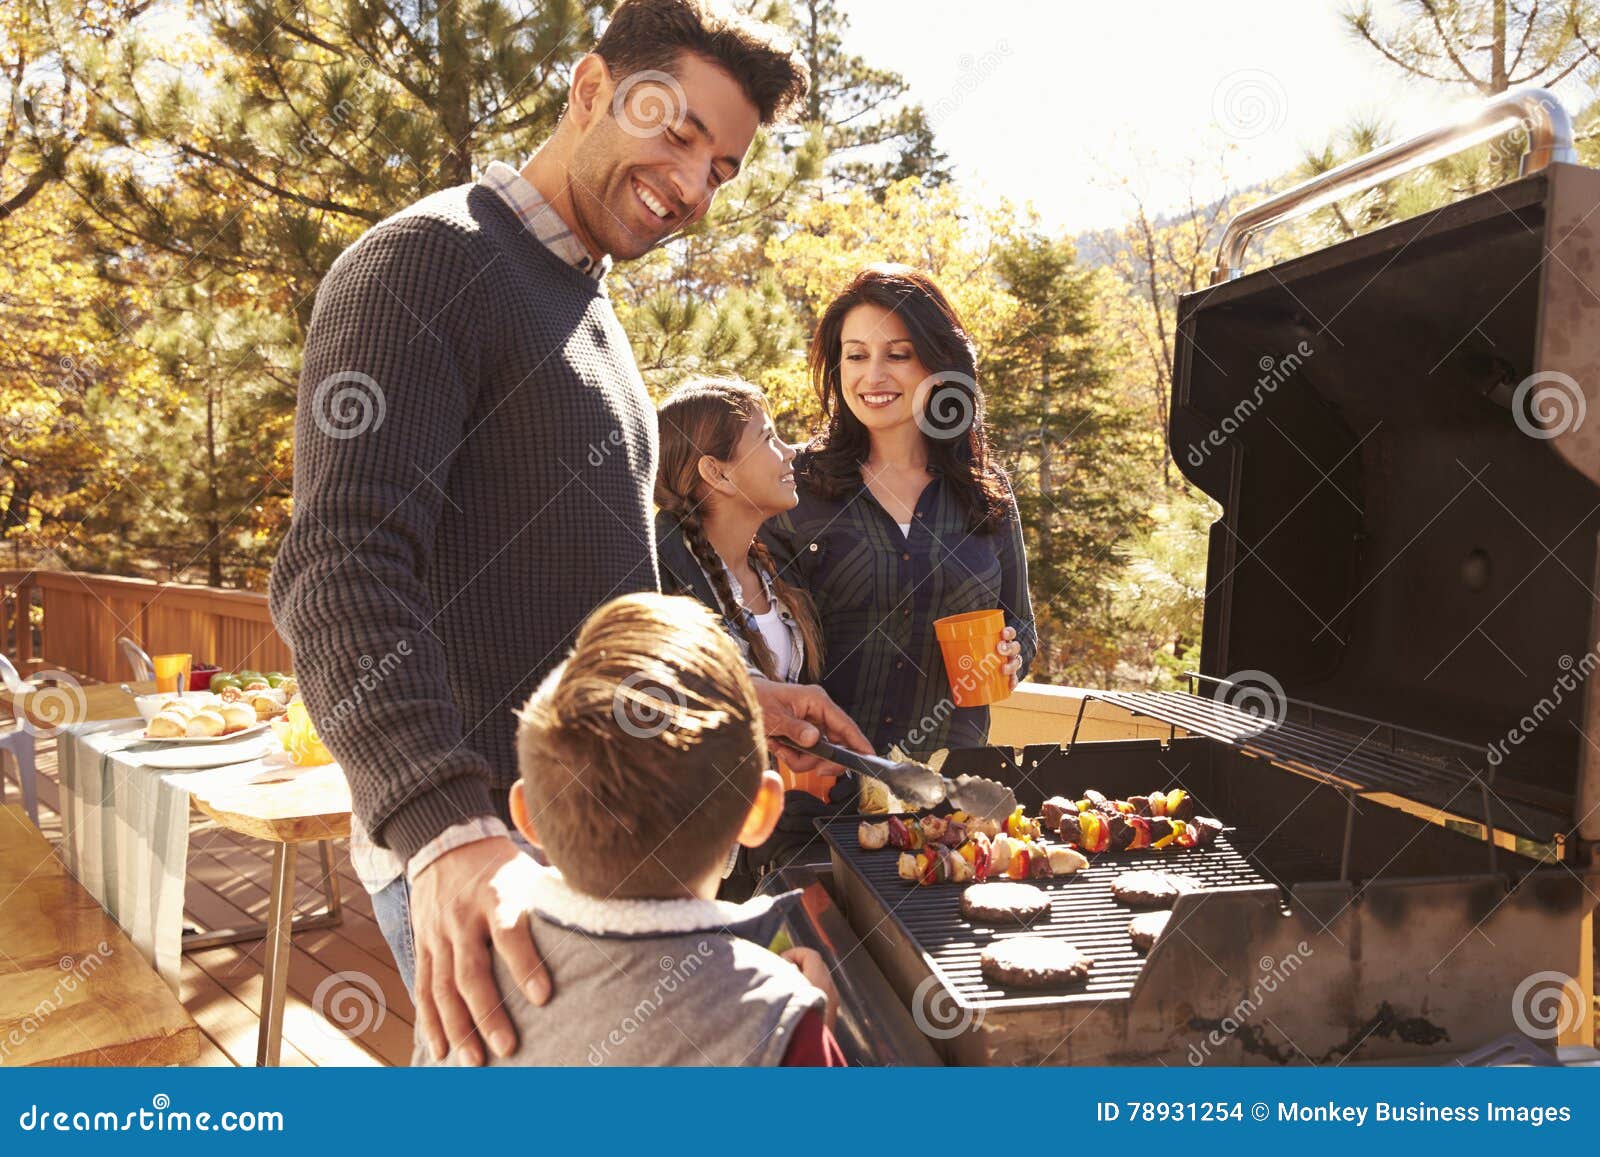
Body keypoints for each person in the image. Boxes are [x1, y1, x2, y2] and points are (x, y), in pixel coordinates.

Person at [268, 0, 869, 1069]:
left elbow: (610, 596)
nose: (692, 186)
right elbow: (338, 568)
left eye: (720, 168)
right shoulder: (426, 263)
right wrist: (444, 827)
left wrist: (732, 693)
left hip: (602, 853)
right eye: (676, 133)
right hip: (486, 855)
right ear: (590, 90)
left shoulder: (595, 320)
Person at [413, 592, 846, 1066]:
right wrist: (806, 1030)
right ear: (760, 810)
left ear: (526, 815)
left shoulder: (464, 987)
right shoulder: (771, 1015)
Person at [765, 264, 1037, 757]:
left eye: (898, 355)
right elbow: (739, 626)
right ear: (837, 368)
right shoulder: (792, 483)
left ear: (938, 365)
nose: (874, 376)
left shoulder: (984, 494)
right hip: (816, 791)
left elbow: (1021, 627)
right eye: (856, 356)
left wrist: (1010, 657)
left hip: (945, 802)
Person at [654, 378, 856, 898]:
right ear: (716, 472)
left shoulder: (781, 570)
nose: (790, 452)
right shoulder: (655, 576)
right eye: (768, 438)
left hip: (778, 845)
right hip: (693, 864)